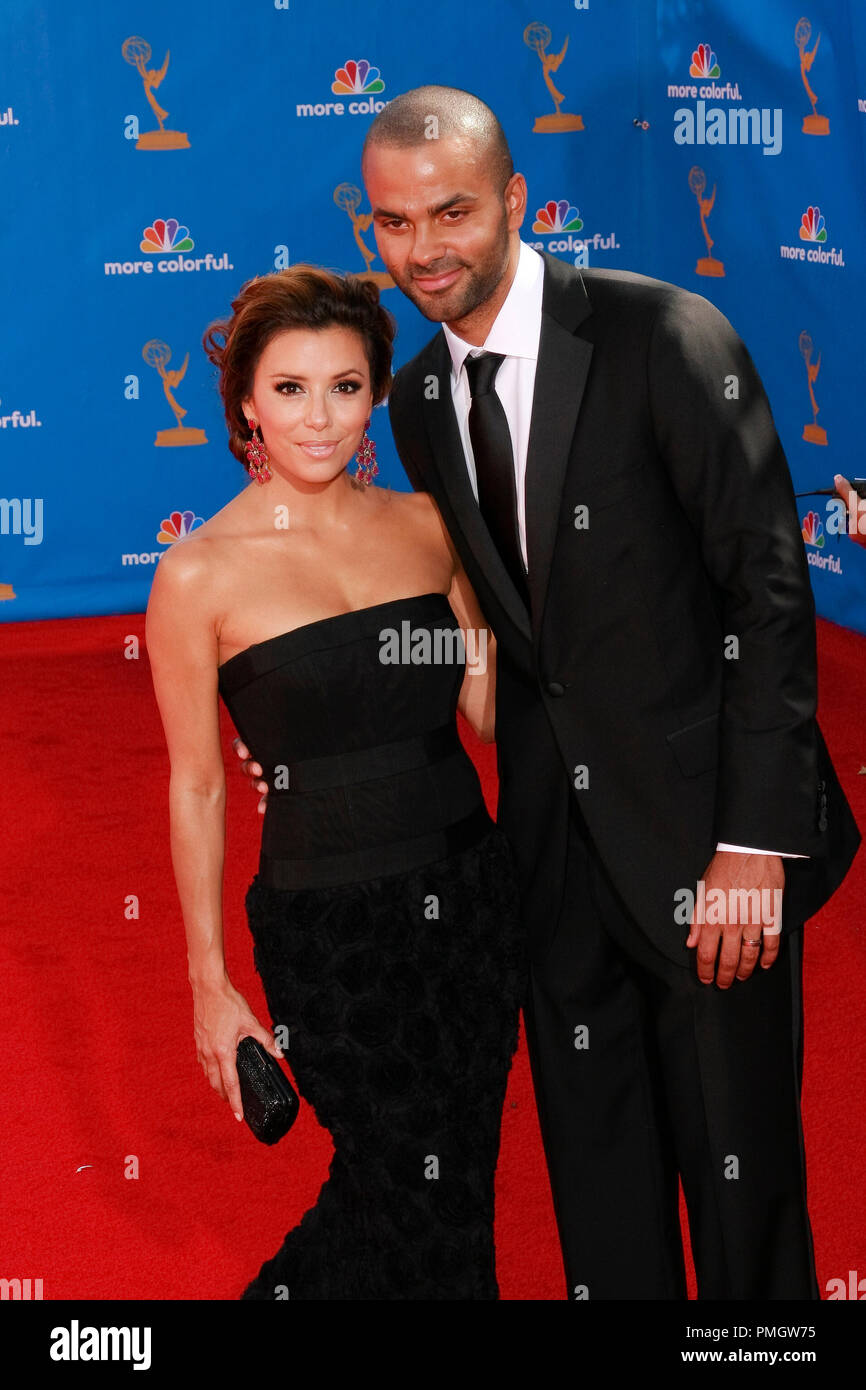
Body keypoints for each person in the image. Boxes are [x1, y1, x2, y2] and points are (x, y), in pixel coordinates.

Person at [236, 87, 861, 1300]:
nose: (424, 247)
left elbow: (766, 598)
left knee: (741, 1199)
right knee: (600, 1188)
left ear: (515, 201)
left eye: (453, 210)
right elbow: (486, 637)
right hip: (549, 868)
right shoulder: (414, 401)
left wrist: (750, 846)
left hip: (703, 849)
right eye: (395, 221)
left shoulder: (663, 336)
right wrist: (323, 737)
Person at [145, 263, 526, 1300]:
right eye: (289, 389)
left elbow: (491, 714)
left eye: (346, 387)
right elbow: (198, 787)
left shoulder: (428, 527)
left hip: (471, 905)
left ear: (378, 393)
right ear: (245, 405)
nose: (320, 419)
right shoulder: (197, 575)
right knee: (404, 1187)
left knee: (447, 1190)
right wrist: (209, 985)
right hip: (331, 928)